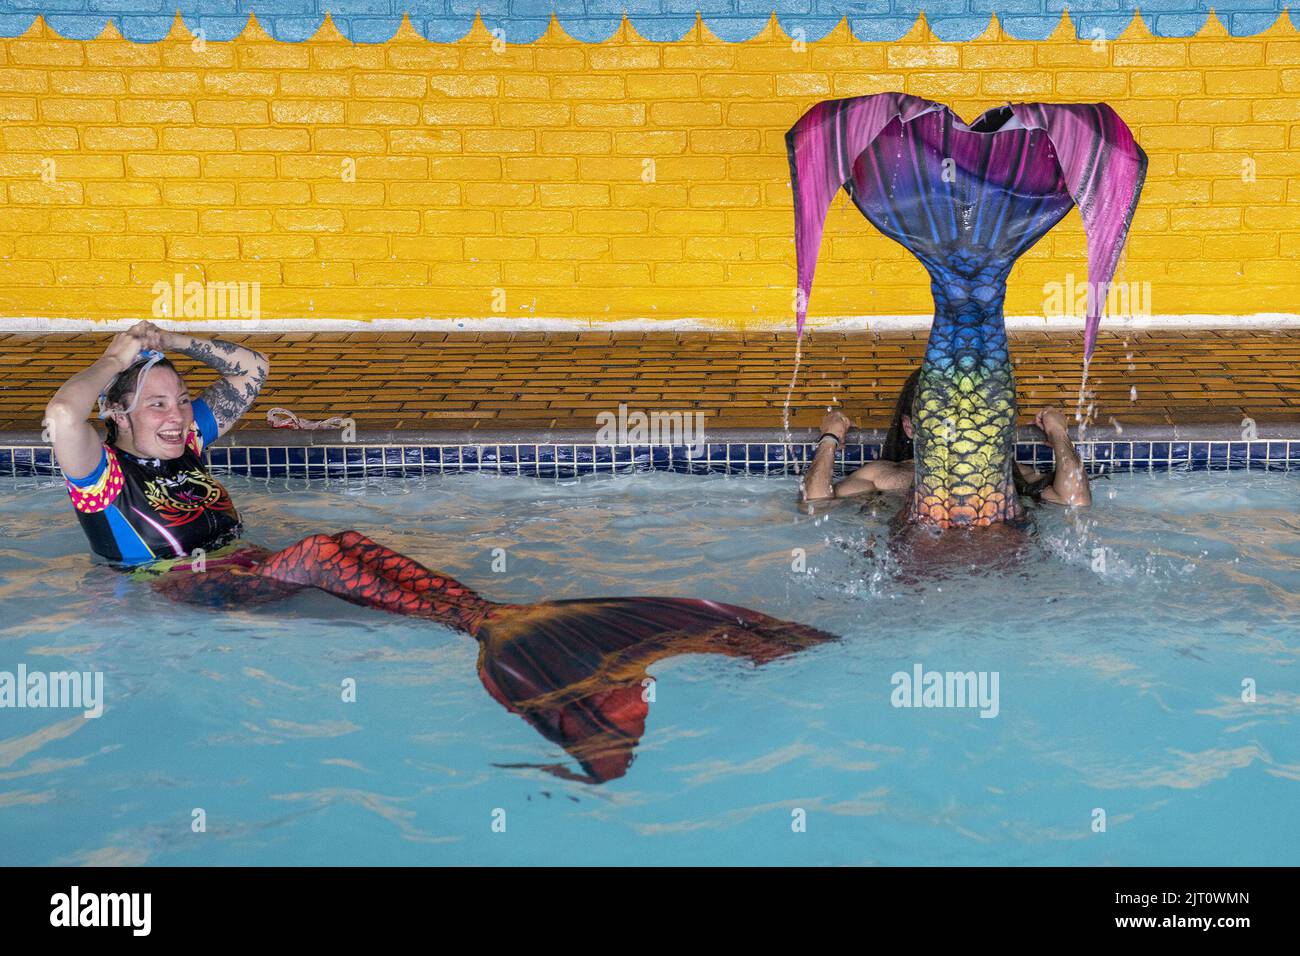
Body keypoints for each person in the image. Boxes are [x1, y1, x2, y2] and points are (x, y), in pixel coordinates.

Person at [46, 321, 836, 782]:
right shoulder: (102, 472)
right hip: (184, 595)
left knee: (337, 552)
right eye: (156, 405)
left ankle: (499, 625)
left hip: (250, 578)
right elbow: (57, 413)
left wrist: (175, 340)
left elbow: (252, 368)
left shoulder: (189, 444)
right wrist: (120, 357)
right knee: (330, 549)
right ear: (116, 415)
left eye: (180, 400)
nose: (178, 414)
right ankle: (493, 626)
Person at [800, 368, 1092, 509]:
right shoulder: (886, 475)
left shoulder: (1005, 474)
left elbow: (1075, 499)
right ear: (910, 427)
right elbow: (815, 502)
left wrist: (1058, 434)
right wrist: (830, 438)